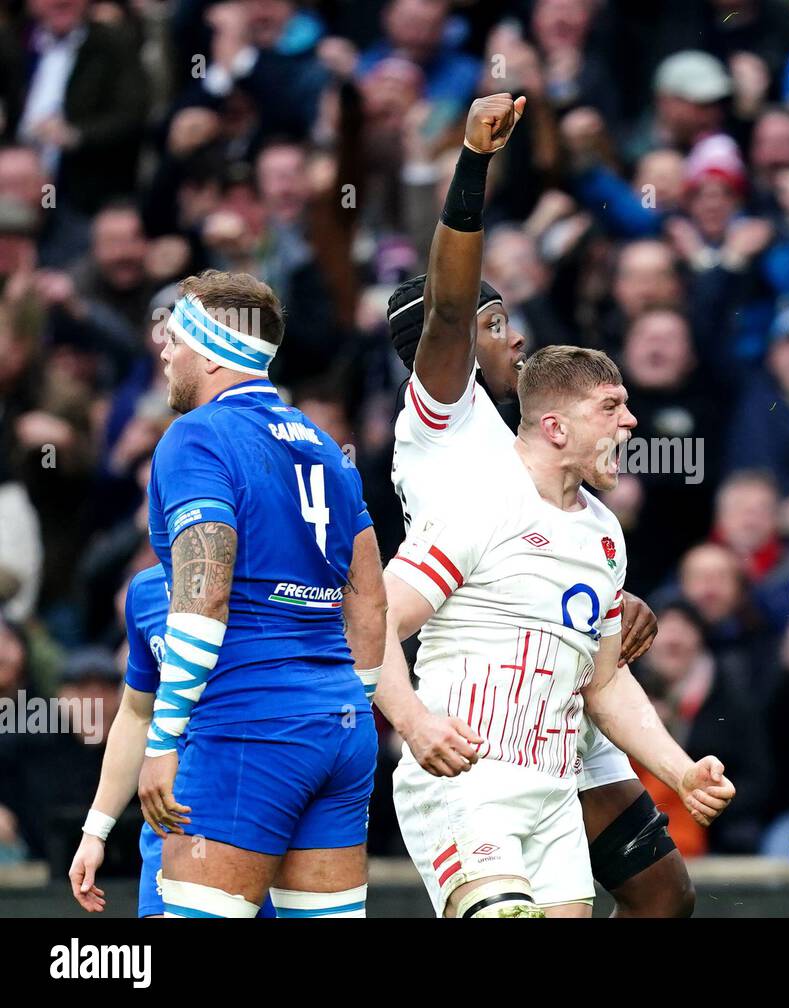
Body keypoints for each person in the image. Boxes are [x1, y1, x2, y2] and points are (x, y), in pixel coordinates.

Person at [380, 93, 714, 917]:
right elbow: (449, 306)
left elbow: (570, 572)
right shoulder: (442, 420)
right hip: (475, 694)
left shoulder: (565, 483)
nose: (513, 335)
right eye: (496, 323)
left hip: (558, 698)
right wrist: (474, 161)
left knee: (666, 897)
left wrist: (608, 603)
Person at [383, 342, 735, 918]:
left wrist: (681, 771)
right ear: (555, 426)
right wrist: (415, 723)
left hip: (555, 794)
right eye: (610, 406)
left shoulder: (603, 533)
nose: (630, 421)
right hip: (472, 782)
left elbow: (604, 684)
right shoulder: (480, 501)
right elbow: (375, 619)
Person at [135, 268, 386, 918]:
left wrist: (162, 741)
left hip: (248, 723)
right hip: (340, 729)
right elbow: (369, 596)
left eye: (175, 337)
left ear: (213, 351)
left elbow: (204, 595)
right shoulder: (325, 447)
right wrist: (344, 703)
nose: (163, 349)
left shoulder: (195, 436)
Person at [68, 564, 274, 918]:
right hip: (177, 810)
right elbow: (136, 713)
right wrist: (95, 832)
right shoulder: (144, 591)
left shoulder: (265, 573)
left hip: (269, 797)